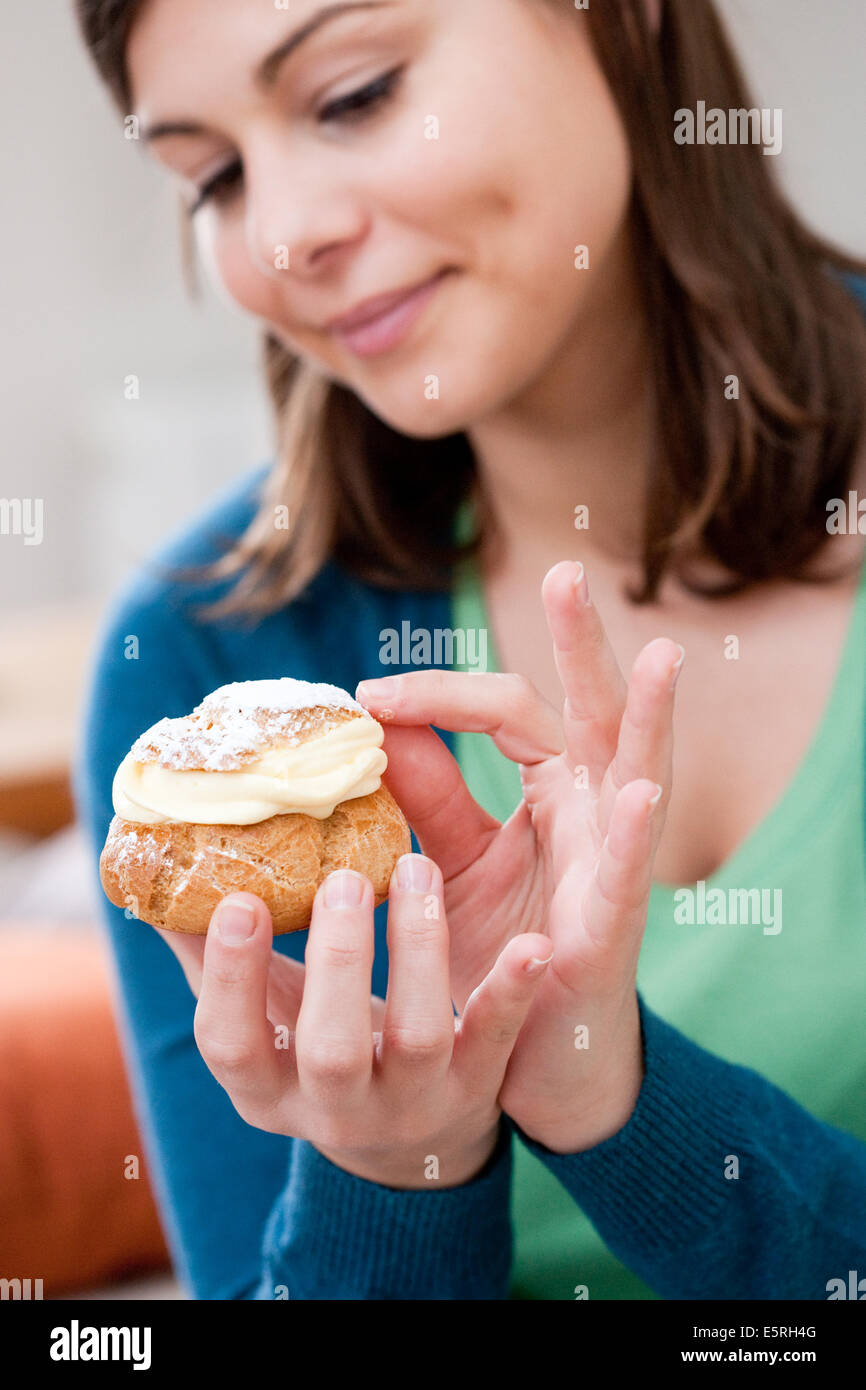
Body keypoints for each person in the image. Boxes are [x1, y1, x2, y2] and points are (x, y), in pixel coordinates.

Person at [74, 0, 866, 1300]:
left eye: (353, 93)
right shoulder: (201, 676)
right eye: (211, 175)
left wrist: (628, 1103)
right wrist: (395, 1166)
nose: (283, 235)